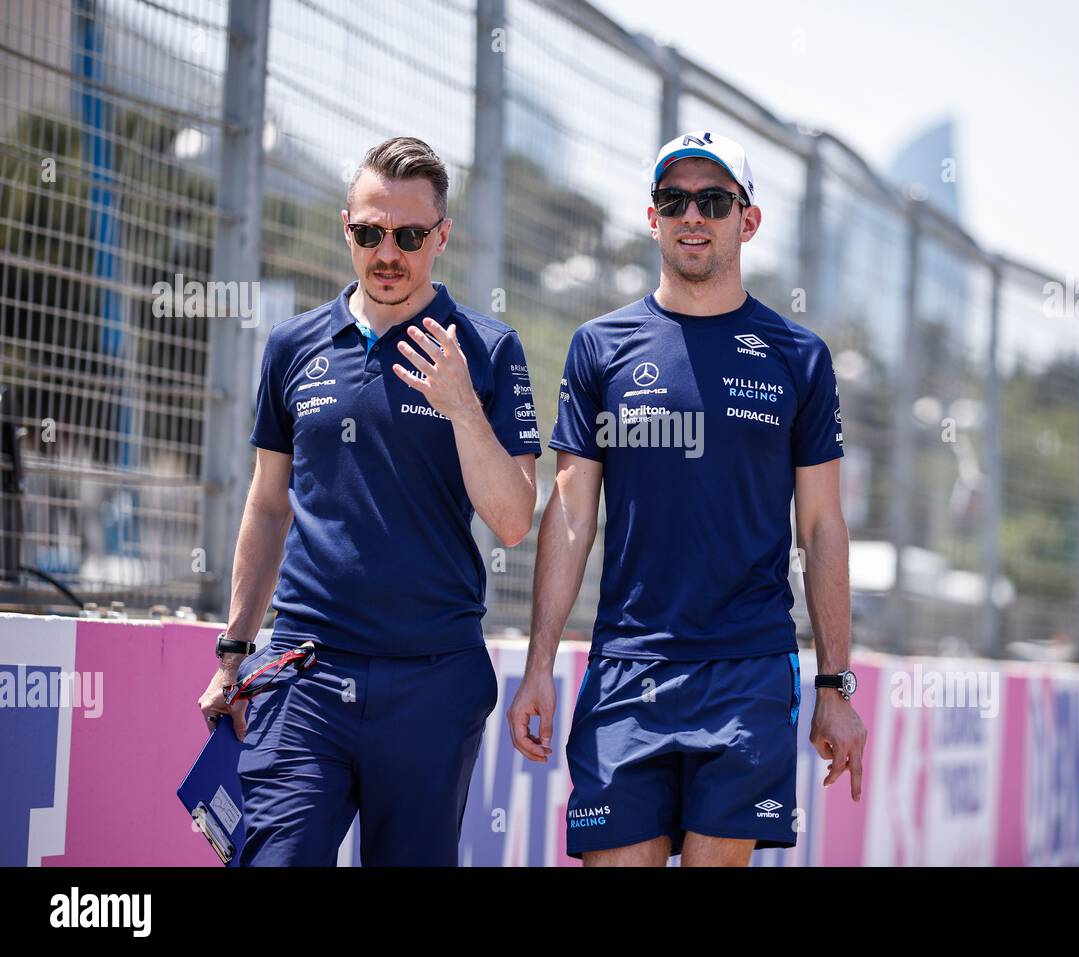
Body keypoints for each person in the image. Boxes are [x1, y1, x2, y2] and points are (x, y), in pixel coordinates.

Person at [508, 131, 867, 866]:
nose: (693, 216)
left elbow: (823, 527)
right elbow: (573, 510)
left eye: (713, 200)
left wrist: (835, 681)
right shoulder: (598, 347)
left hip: (748, 668)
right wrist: (540, 660)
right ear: (653, 217)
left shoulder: (798, 356)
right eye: (675, 201)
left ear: (749, 218)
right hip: (627, 668)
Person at [196, 136, 541, 866]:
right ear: (344, 226)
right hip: (304, 672)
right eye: (370, 232)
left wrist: (461, 408)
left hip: (433, 680)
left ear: (441, 237)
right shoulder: (292, 346)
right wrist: (233, 652)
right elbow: (266, 505)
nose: (389, 252)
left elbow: (513, 519)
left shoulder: (487, 348)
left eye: (410, 235)